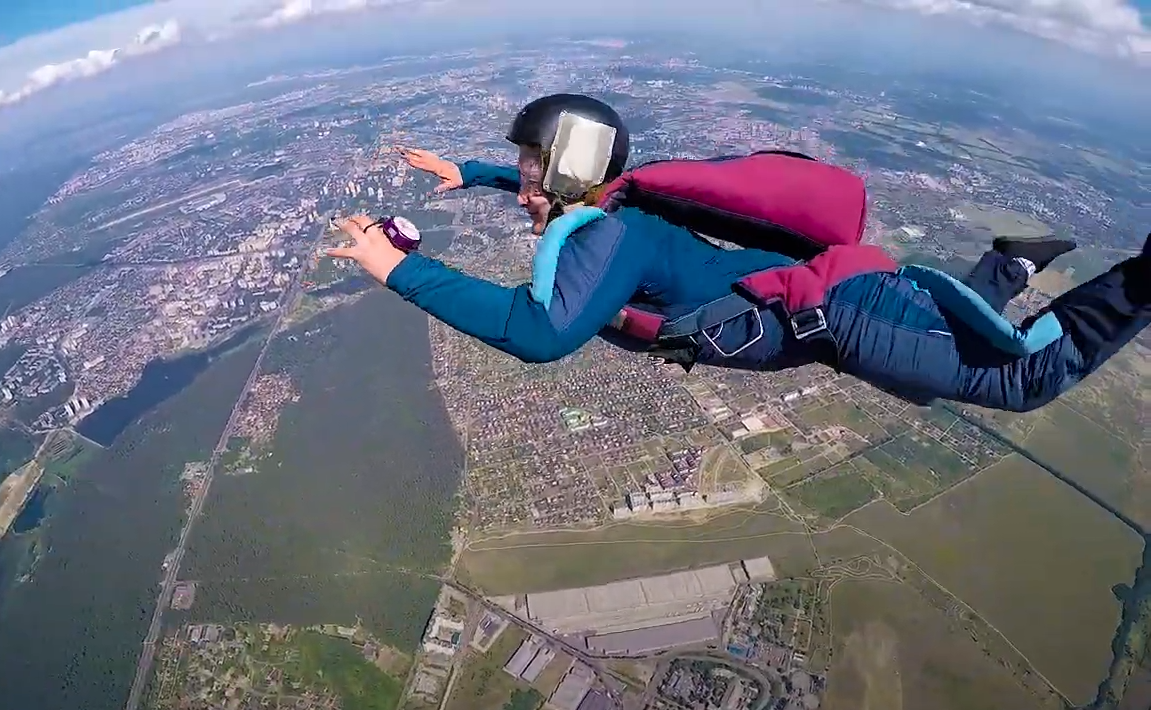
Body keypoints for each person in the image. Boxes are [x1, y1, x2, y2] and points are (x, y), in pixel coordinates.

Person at [328, 93, 1151, 413]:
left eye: (530, 163)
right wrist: (465, 173)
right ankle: (1007, 266)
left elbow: (538, 331)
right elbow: (553, 203)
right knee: (929, 382)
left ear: (573, 164)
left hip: (847, 312)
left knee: (1022, 381)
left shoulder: (604, 234)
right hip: (834, 324)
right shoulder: (607, 214)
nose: (521, 178)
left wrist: (399, 269)